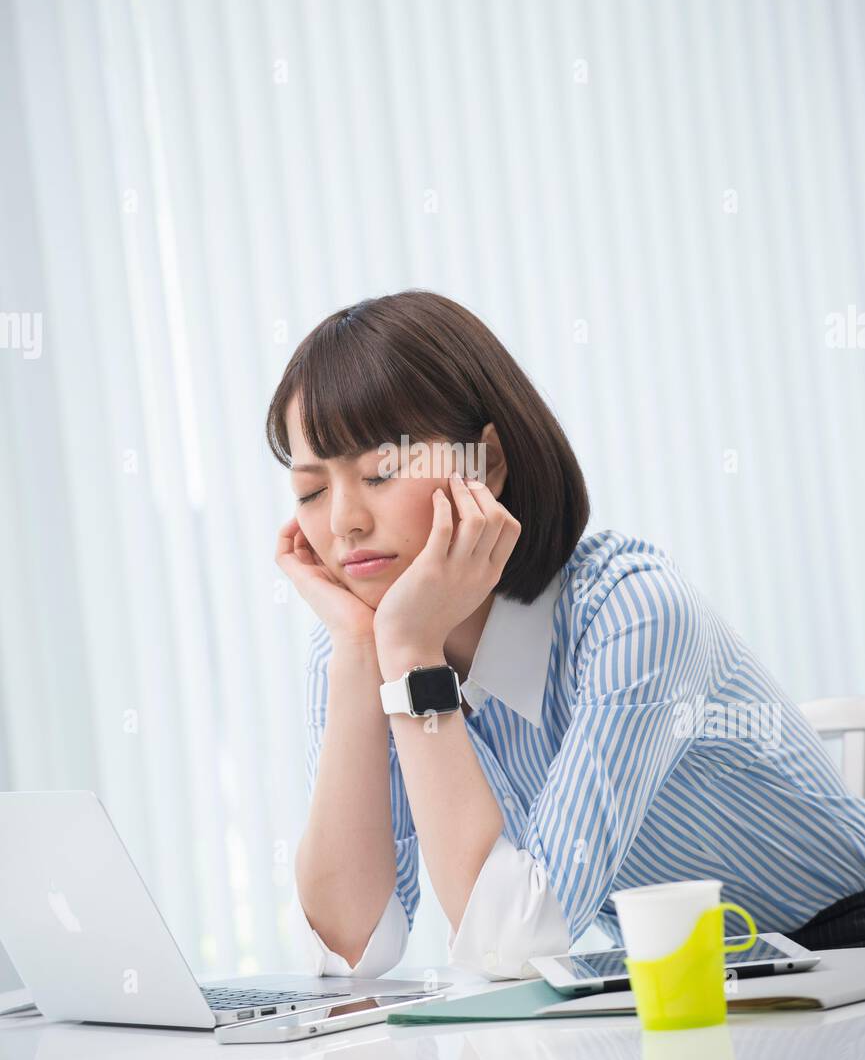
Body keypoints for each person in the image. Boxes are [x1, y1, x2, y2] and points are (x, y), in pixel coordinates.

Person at [266, 289, 865, 980]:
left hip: (841, 957)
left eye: (380, 472)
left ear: (486, 463)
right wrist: (357, 653)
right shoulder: (363, 643)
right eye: (311, 491)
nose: (343, 521)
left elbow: (514, 946)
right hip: (684, 980)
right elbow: (344, 949)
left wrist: (408, 655)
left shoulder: (633, 613)